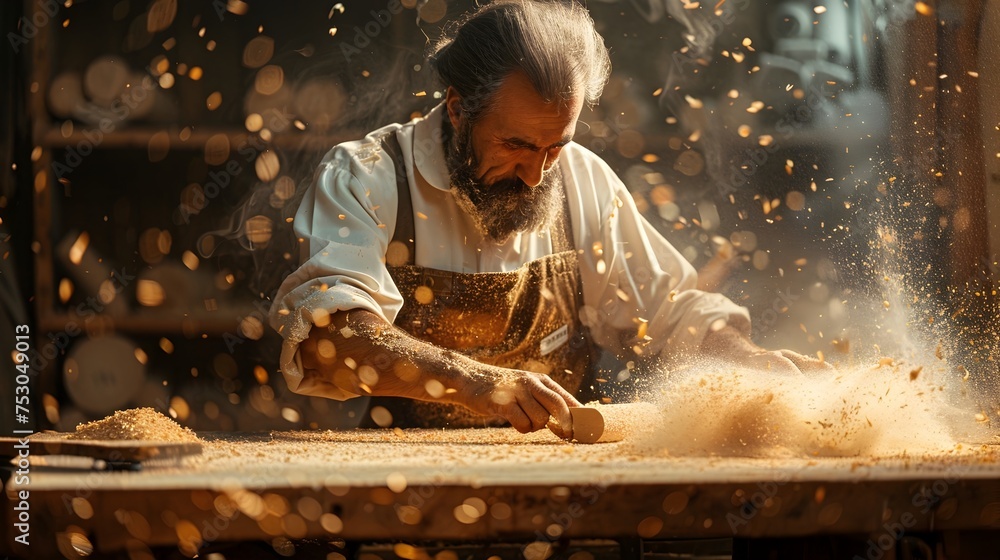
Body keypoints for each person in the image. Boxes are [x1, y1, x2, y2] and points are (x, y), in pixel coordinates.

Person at [269, 0, 829, 440]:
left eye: (554, 146)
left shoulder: (582, 180)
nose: (537, 176)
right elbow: (330, 339)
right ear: (459, 107)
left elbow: (677, 313)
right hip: (407, 491)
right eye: (515, 144)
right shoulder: (368, 176)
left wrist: (751, 362)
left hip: (566, 491)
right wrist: (478, 383)